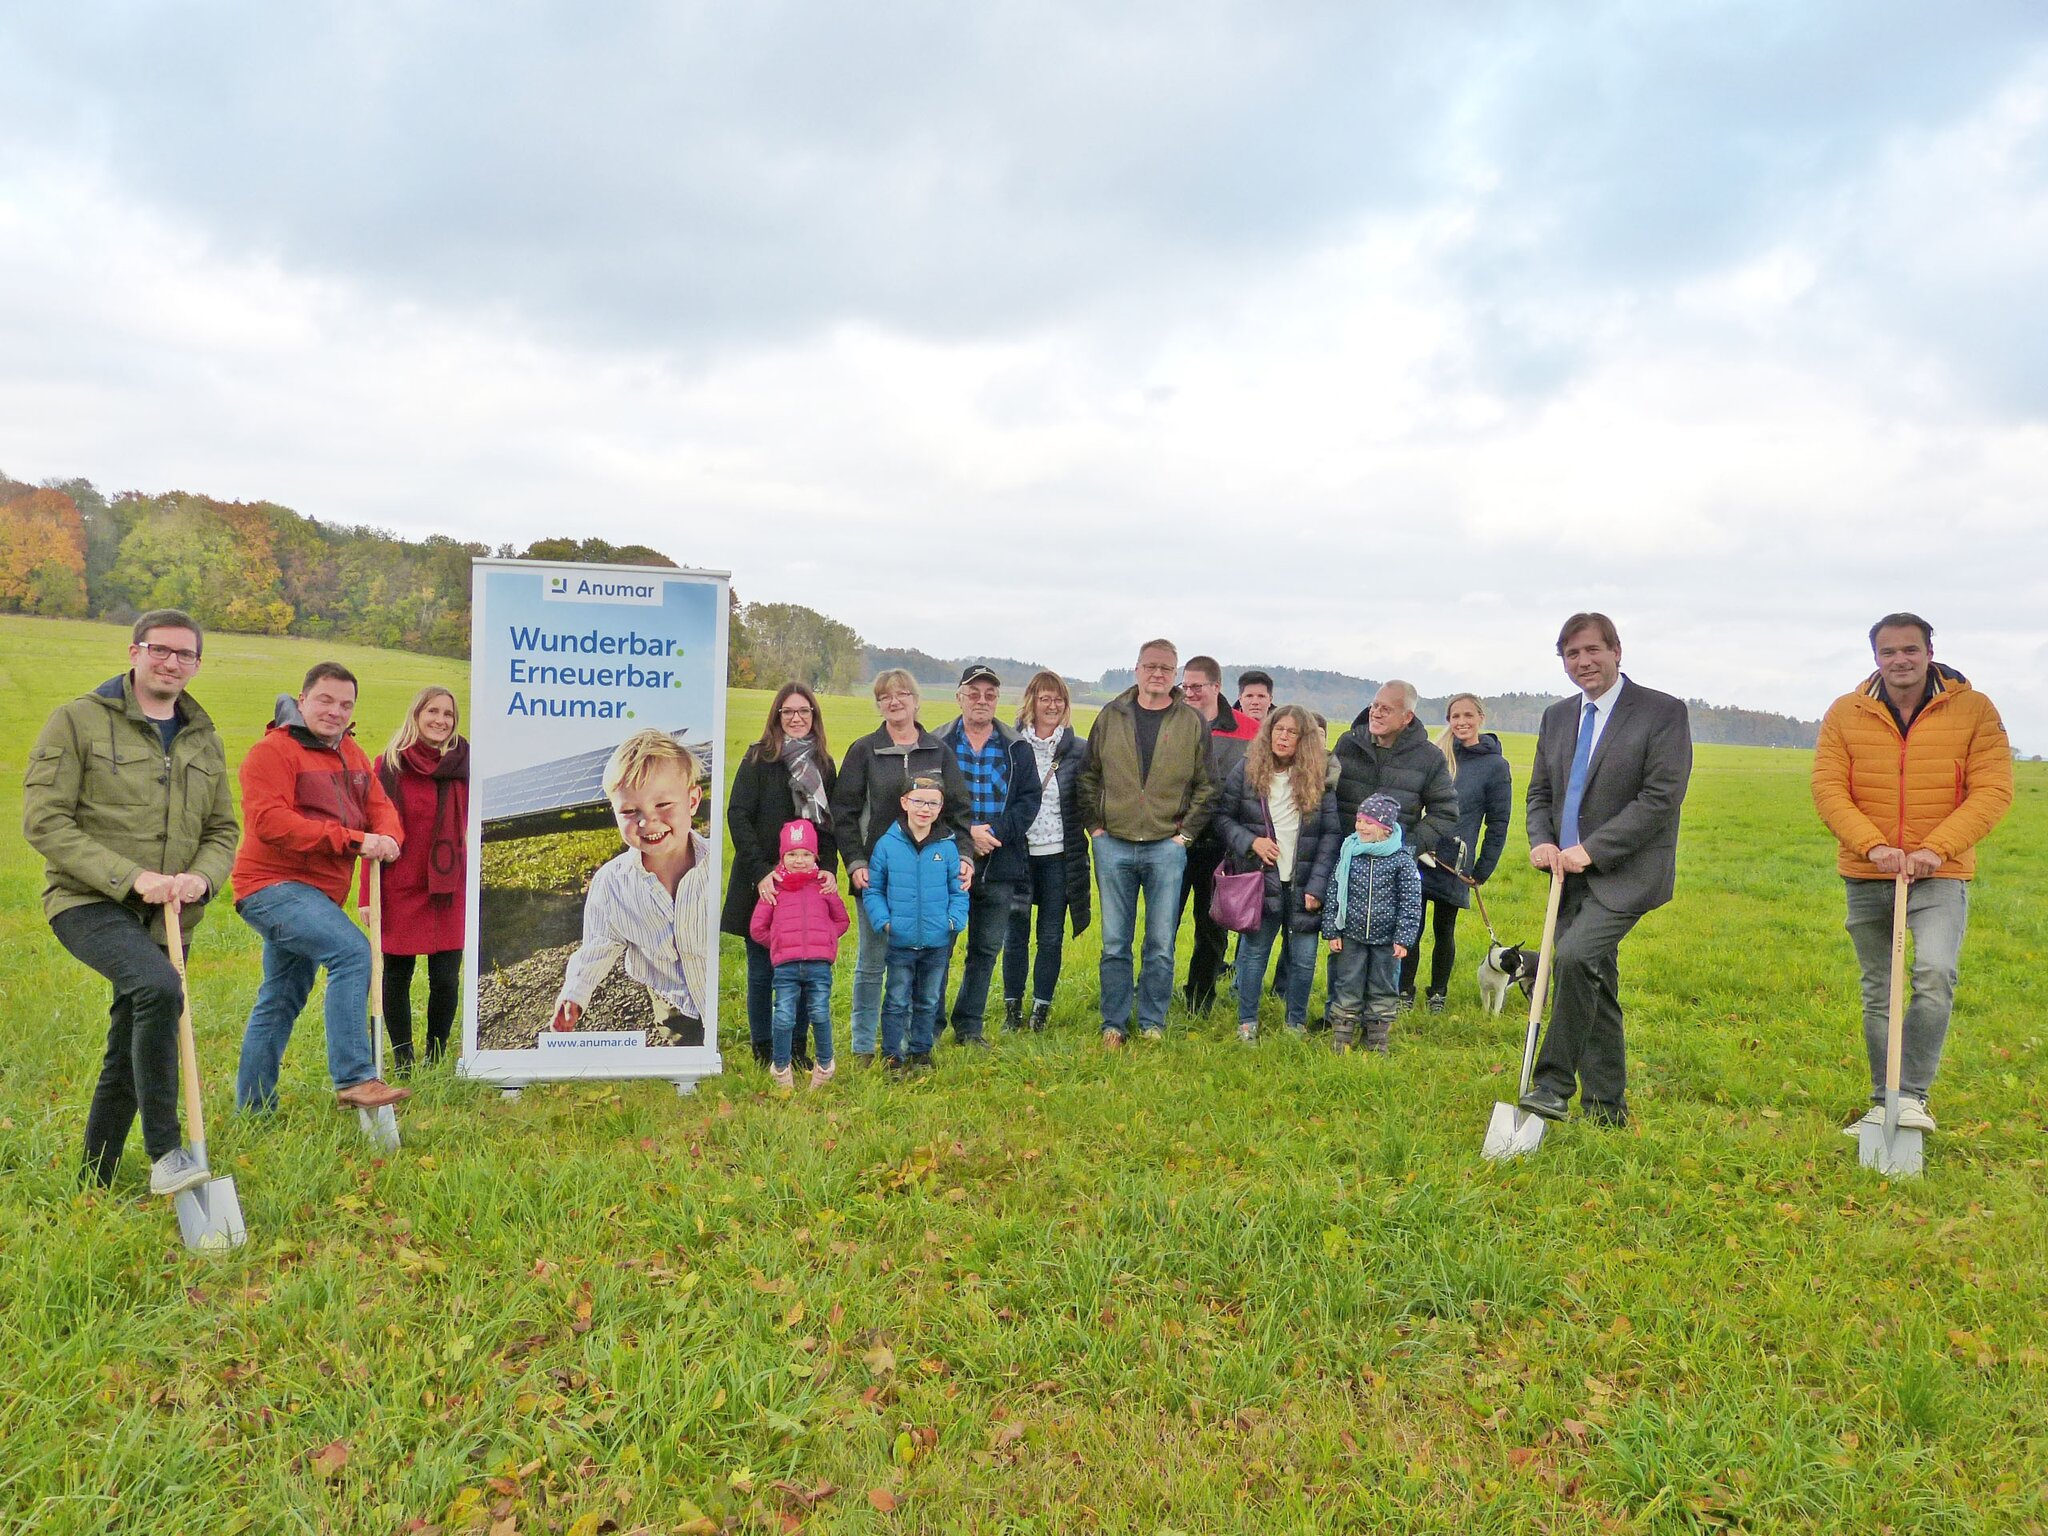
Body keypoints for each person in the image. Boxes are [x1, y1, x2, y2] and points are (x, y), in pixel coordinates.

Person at [24, 610, 240, 1193]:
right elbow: (44, 821)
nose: (172, 663)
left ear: (197, 664)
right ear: (134, 651)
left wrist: (202, 877)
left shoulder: (204, 738)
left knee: (131, 1044)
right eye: (161, 650)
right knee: (157, 989)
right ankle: (167, 1152)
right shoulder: (77, 720)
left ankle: (92, 1181)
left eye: (186, 655)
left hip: (169, 917)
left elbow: (223, 829)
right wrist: (132, 877)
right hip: (88, 901)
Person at [1812, 613, 2012, 1135]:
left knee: (1934, 976)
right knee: (1880, 990)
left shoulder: (1974, 710)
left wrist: (1936, 849)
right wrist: (1872, 845)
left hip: (1939, 874)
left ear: (1928, 652)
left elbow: (1992, 791)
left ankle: (1913, 1097)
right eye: (1888, 652)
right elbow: (1830, 789)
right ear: (1875, 657)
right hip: (1868, 873)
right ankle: (1884, 1100)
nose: (1899, 660)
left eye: (1910, 650)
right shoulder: (1845, 712)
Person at [1520, 613, 1692, 1128]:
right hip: (1565, 876)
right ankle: (1606, 1109)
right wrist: (1543, 841)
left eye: (1593, 650)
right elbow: (1540, 793)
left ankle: (1551, 1084)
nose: (1583, 662)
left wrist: (1592, 849)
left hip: (1627, 873)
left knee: (1571, 958)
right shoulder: (1556, 717)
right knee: (1594, 982)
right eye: (1572, 654)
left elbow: (1661, 796)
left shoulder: (1662, 712)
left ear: (1618, 651)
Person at [232, 663, 409, 1112]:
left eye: (346, 705)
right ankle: (354, 1077)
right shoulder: (272, 752)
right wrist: (354, 840)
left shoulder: (352, 754)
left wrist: (388, 836)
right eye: (326, 700)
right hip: (270, 887)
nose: (335, 711)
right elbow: (269, 823)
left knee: (281, 997)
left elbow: (379, 807)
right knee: (352, 953)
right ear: (302, 699)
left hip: (318, 896)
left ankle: (253, 1111)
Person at [1077, 638, 1217, 1045]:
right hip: (1113, 843)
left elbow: (1207, 786)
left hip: (1165, 846)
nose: (1157, 673)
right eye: (1150, 666)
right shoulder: (1111, 715)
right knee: (1115, 943)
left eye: (1165, 668)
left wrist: (1184, 835)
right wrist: (1096, 828)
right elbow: (1088, 776)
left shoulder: (1190, 721)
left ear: (1174, 674)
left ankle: (1153, 1021)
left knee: (1159, 943)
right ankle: (1114, 1023)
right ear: (1136, 669)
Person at [830, 671, 973, 1063]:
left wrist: (964, 856)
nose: (895, 702)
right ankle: (863, 1045)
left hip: (930, 877)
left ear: (916, 701)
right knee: (873, 963)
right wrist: (856, 862)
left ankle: (914, 1044)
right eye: (885, 697)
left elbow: (960, 811)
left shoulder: (938, 751)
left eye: (903, 694)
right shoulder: (864, 751)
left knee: (922, 964)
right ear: (878, 704)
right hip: (879, 876)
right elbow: (842, 813)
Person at [550, 731, 716, 1046]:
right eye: (630, 812)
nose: (648, 822)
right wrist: (575, 994)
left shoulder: (716, 866)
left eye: (663, 804)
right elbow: (599, 944)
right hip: (675, 1002)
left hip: (717, 991)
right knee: (685, 1060)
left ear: (692, 801)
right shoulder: (612, 883)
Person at [720, 683, 838, 1068]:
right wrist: (762, 873)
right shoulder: (759, 758)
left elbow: (830, 826)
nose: (797, 718)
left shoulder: (823, 764)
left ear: (814, 717)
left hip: (807, 885)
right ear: (776, 716)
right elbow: (738, 814)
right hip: (765, 881)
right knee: (761, 971)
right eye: (788, 712)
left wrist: (829, 873)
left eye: (804, 711)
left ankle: (798, 1047)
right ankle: (764, 1046)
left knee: (804, 967)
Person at [1212, 706, 1339, 1040]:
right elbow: (1223, 819)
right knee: (1253, 954)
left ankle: (1295, 1025)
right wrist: (1252, 842)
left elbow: (1330, 835)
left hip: (1304, 883)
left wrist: (1318, 885)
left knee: (1303, 959)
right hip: (1259, 879)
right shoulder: (1247, 770)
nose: (1283, 737)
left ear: (1305, 739)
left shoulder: (1320, 777)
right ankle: (1246, 1023)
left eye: (1292, 732)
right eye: (1278, 729)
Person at [937, 665, 1042, 1044]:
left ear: (997, 699)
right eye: (974, 692)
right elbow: (926, 800)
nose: (982, 700)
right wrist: (967, 835)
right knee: (939, 946)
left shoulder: (1016, 747)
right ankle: (930, 1025)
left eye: (989, 694)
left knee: (984, 950)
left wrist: (993, 833)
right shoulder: (938, 743)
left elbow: (1030, 800)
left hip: (1000, 862)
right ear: (959, 697)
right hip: (947, 860)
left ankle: (969, 1026)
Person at [367, 685, 469, 1068]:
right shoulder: (389, 765)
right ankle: (403, 1059)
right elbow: (373, 832)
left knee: (445, 978)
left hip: (450, 887)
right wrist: (367, 895)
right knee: (397, 975)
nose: (441, 721)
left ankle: (436, 1056)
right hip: (400, 885)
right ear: (416, 715)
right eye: (433, 712)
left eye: (449, 714)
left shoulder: (464, 766)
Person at [1405, 693, 1512, 1013]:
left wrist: (1483, 868)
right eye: (1455, 716)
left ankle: (1438, 993)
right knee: (1412, 927)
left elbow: (1498, 821)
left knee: (1444, 931)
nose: (1461, 722)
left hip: (1457, 862)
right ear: (1448, 720)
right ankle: (1403, 993)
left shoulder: (1495, 765)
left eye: (1468, 715)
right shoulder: (1436, 755)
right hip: (1421, 854)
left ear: (1481, 717)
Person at [861, 775, 970, 1074]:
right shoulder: (887, 844)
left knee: (929, 999)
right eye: (919, 801)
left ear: (940, 808)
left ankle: (922, 1051)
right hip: (900, 941)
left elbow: (957, 889)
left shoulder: (947, 847)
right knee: (896, 999)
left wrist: (954, 921)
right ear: (905, 802)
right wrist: (884, 922)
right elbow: (874, 888)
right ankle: (893, 1054)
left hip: (936, 942)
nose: (925, 808)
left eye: (933, 803)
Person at [1003, 670, 1092, 1029]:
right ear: (1031, 703)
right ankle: (1013, 1011)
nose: (1052, 705)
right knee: (1016, 933)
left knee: (1051, 935)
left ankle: (1041, 1011)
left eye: (1058, 699)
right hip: (1018, 855)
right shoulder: (1011, 745)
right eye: (1045, 699)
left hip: (1059, 856)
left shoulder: (1078, 750)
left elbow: (1088, 799)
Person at [1175, 655, 1261, 1012]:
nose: (1190, 693)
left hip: (1222, 845)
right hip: (1175, 840)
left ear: (1216, 687)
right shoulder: (1173, 720)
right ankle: (1152, 990)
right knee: (1163, 924)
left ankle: (1201, 997)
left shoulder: (1250, 729)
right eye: (1185, 686)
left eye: (1198, 686)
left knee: (1212, 927)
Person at [748, 820, 849, 1092]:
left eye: (806, 854)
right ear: (782, 856)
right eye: (792, 854)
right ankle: (780, 1067)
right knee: (783, 1015)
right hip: (785, 968)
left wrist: (826, 941)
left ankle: (825, 1064)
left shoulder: (823, 887)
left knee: (819, 1012)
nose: (799, 860)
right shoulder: (774, 888)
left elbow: (842, 921)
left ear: (815, 856)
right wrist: (780, 943)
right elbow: (757, 928)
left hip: (818, 966)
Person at [1322, 794, 1423, 1053]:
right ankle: (1342, 1037)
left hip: (1387, 941)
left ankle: (1376, 1039)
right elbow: (1335, 892)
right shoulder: (1349, 853)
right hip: (1352, 936)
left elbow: (1411, 903)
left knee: (1383, 987)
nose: (1360, 827)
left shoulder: (1401, 860)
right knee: (1347, 984)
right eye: (1358, 820)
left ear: (1386, 829)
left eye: (1368, 823)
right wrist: (1333, 929)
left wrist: (1403, 938)